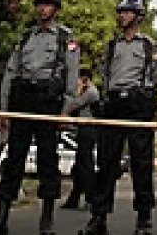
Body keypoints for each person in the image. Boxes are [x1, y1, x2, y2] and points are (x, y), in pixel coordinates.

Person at [0, 0, 80, 235]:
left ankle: (46, 222)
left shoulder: (65, 38)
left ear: (56, 9)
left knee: (48, 160)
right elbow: (10, 73)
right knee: (14, 159)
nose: (43, 8)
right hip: (22, 99)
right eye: (40, 4)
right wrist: (4, 109)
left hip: (48, 101)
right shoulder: (25, 37)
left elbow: (72, 75)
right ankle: (1, 218)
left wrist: (65, 111)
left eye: (48, 4)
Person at [82, 0, 157, 235]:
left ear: (138, 16)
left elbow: (155, 76)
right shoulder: (111, 45)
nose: (123, 16)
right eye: (121, 12)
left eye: (128, 12)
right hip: (115, 103)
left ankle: (144, 219)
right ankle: (99, 216)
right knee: (106, 164)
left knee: (141, 164)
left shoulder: (148, 45)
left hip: (138, 104)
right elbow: (104, 74)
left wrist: (144, 97)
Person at [61, 68, 100, 211]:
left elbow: (74, 104)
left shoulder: (91, 92)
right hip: (82, 129)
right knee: (78, 167)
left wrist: (77, 91)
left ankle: (91, 198)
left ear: (85, 80)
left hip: (88, 130)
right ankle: (74, 198)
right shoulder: (87, 92)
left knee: (86, 165)